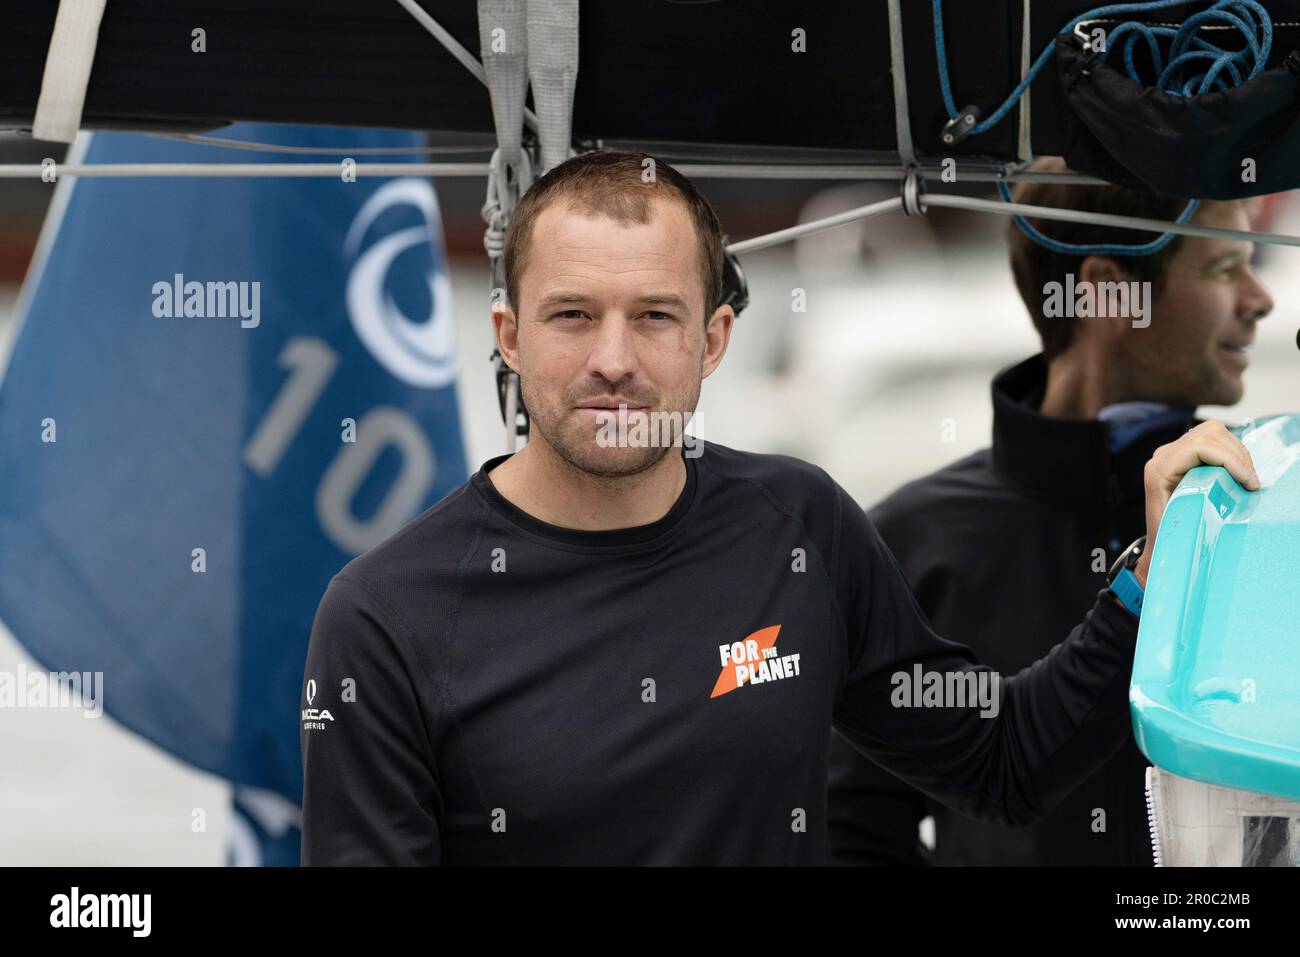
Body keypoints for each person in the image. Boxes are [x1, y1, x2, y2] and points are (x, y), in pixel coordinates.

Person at [299, 150, 1258, 865]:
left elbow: (1000, 759)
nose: (615, 360)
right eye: (572, 314)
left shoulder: (801, 527)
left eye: (657, 315)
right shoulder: (385, 618)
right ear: (507, 333)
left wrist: (1146, 576)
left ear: (714, 338)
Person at [827, 156, 1274, 866]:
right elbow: (852, 830)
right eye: (1225, 268)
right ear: (1104, 294)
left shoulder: (1269, 518)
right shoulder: (906, 539)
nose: (1261, 298)